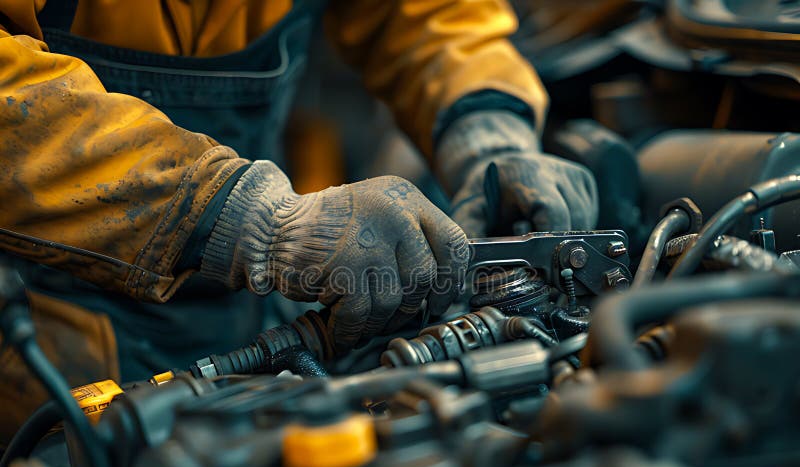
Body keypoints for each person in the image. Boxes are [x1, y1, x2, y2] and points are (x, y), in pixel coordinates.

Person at [0, 0, 597, 441]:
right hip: (41, 340)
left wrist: (483, 127)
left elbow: (423, 15)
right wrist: (259, 222)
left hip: (249, 306)